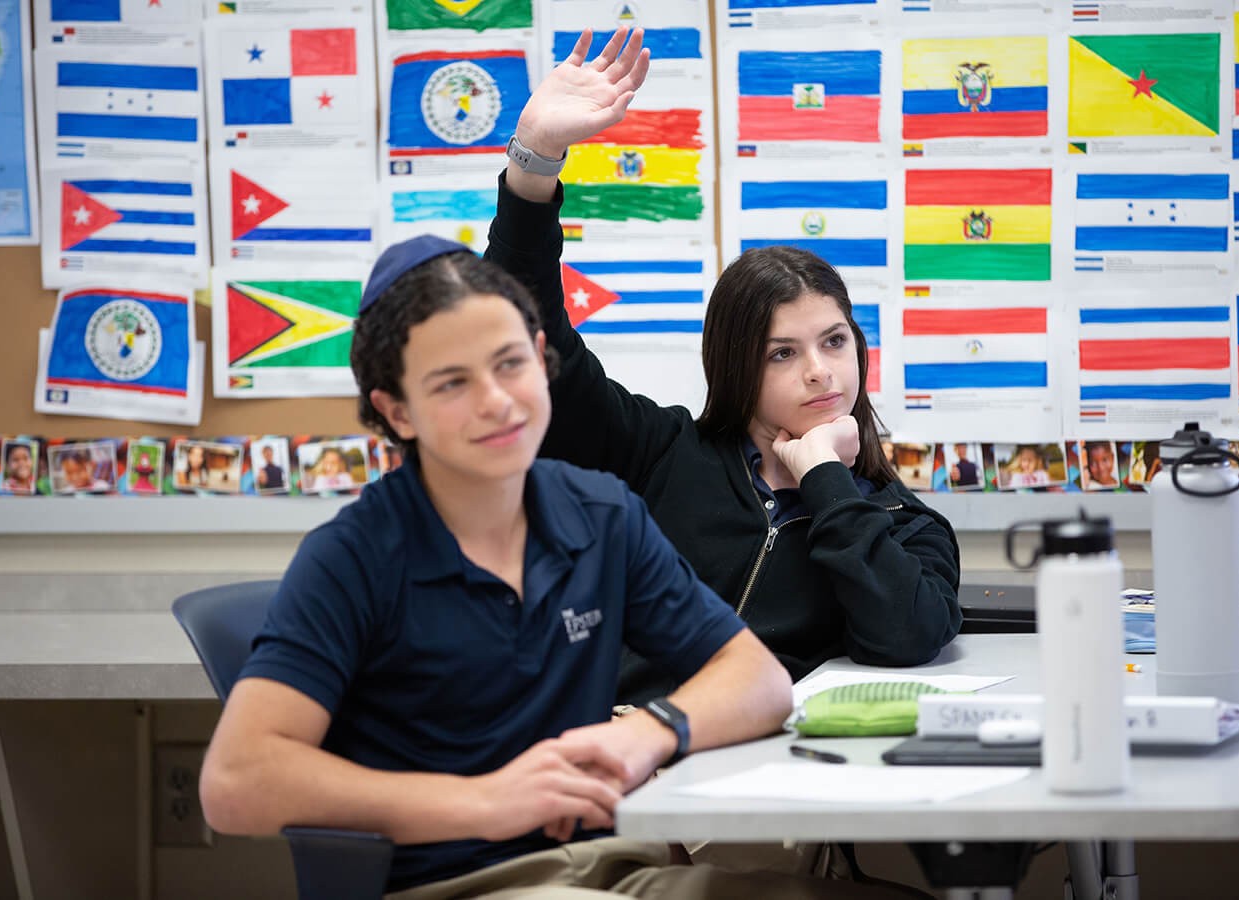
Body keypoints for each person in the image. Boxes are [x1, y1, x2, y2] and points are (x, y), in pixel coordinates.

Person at [200, 233, 886, 900]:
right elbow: (236, 783)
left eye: (509, 364)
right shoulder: (354, 556)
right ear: (396, 411)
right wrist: (485, 803)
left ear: (539, 357)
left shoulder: (600, 515)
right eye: (451, 384)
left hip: (615, 865)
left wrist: (649, 733)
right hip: (457, 881)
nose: (497, 400)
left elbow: (757, 680)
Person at [487, 27, 962, 709]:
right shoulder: (659, 451)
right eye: (783, 353)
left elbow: (908, 635)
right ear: (736, 366)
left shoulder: (898, 523)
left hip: (760, 780)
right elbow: (530, 336)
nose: (821, 373)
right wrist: (534, 162)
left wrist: (827, 480)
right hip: (612, 756)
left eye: (834, 342)